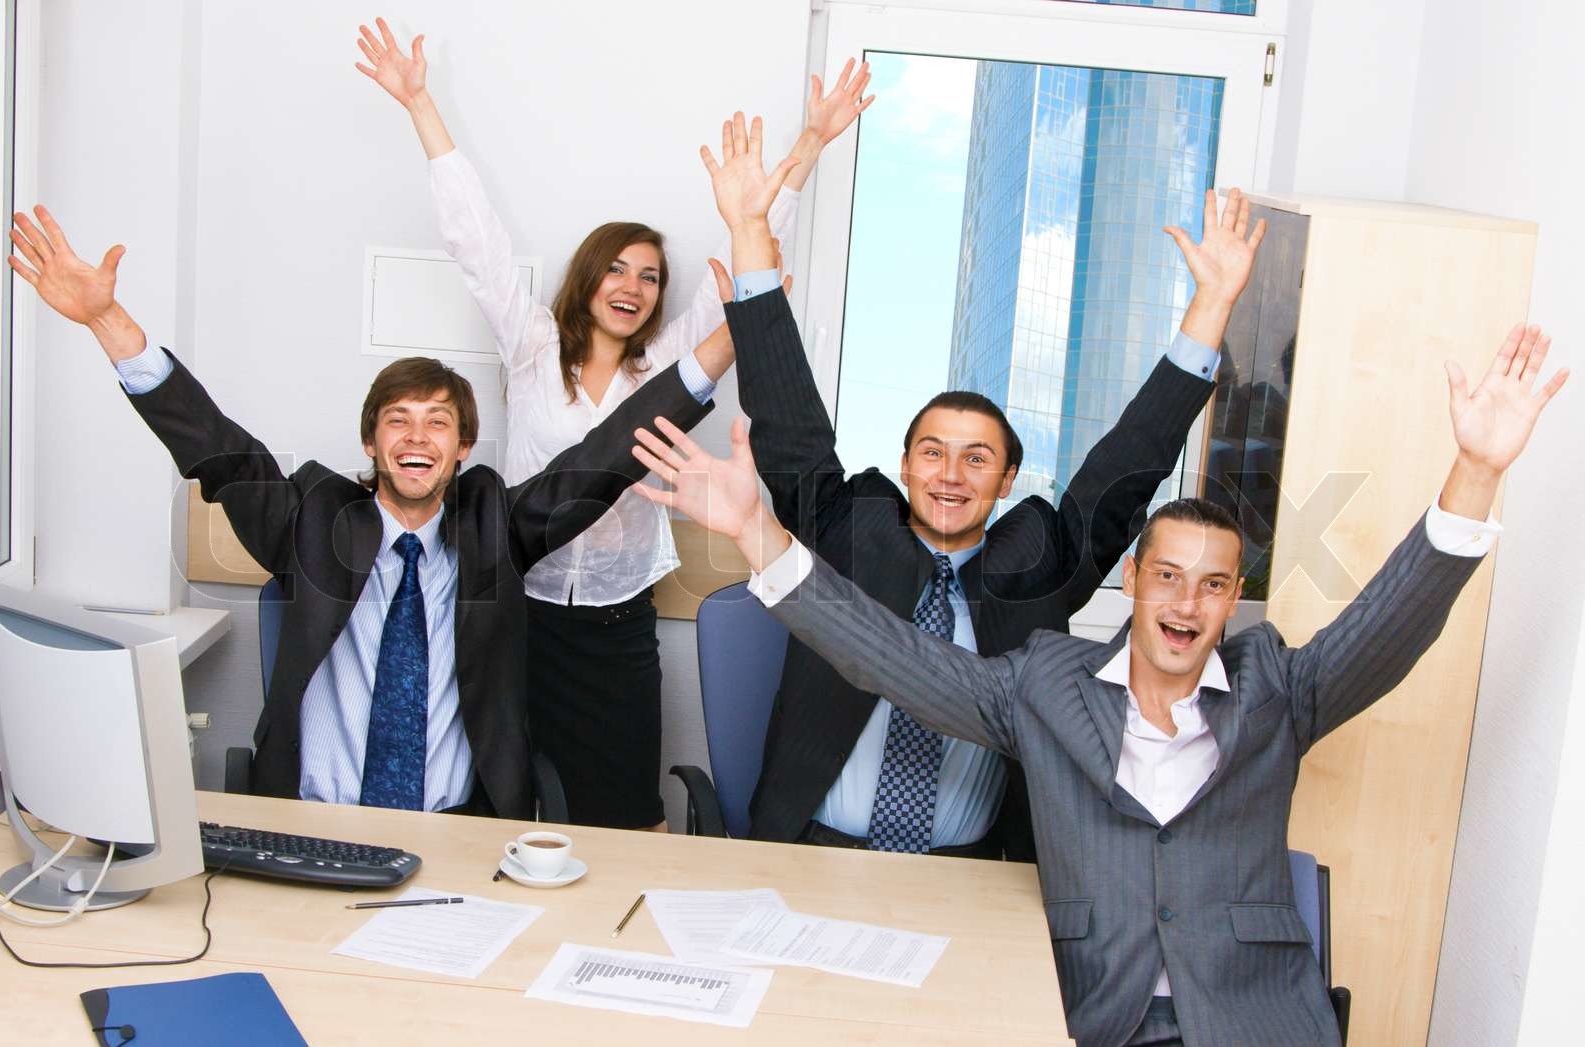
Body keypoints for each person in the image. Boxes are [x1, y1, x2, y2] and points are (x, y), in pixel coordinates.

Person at [628, 324, 1566, 1045]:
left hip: (1252, 1021)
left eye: (1211, 583)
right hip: (1091, 1016)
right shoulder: (1049, 683)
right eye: (1167, 575)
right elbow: (887, 654)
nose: (1186, 602)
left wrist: (1475, 472)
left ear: (1234, 599)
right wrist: (758, 537)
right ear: (1131, 581)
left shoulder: (1278, 687)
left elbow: (1392, 624)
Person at [6, 204, 716, 820]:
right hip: (319, 819)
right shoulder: (309, 523)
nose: (416, 437)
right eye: (398, 421)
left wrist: (734, 327)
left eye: (437, 422)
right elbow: (214, 447)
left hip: (460, 833)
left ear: (464, 445)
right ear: (371, 440)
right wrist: (107, 320)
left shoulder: (493, 530)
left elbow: (604, 457)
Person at [354, 17, 872, 829]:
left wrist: (809, 144)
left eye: (651, 277)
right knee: (500, 804)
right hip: (517, 614)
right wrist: (422, 104)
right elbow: (475, 240)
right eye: (618, 269)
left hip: (618, 622)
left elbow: (749, 270)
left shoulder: (666, 364)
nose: (632, 285)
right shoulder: (529, 347)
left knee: (625, 814)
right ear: (589, 277)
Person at [702, 186, 1264, 858]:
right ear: (906, 466)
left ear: (1004, 482)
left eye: (977, 459)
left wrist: (1212, 305)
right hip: (815, 850)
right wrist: (752, 244)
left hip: (970, 872)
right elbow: (790, 426)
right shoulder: (849, 528)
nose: (950, 474)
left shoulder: (1038, 561)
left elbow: (1132, 461)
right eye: (933, 453)